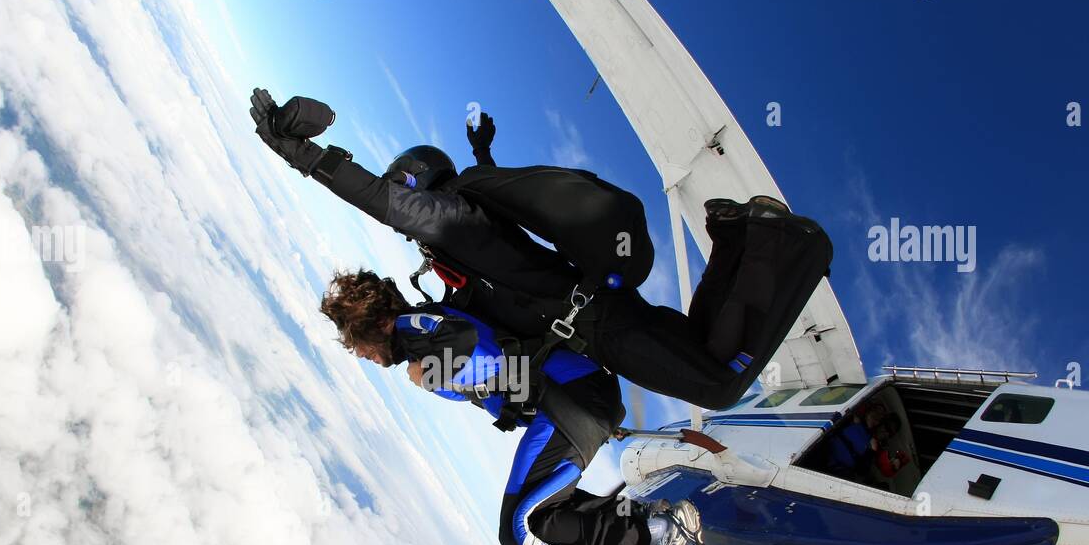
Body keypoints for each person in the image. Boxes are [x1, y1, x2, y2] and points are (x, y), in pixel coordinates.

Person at [249, 87, 834, 413]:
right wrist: (483, 158)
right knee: (710, 350)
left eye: (407, 197)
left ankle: (765, 241)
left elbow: (389, 204)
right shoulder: (467, 220)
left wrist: (306, 157)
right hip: (600, 316)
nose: (408, 223)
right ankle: (736, 239)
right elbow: (506, 253)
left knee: (720, 386)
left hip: (603, 328)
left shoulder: (449, 221)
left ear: (415, 187)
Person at [319, 268, 710, 545]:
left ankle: (658, 534)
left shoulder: (412, 328)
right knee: (536, 517)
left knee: (525, 529)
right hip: (572, 400)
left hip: (573, 400)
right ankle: (644, 522)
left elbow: (473, 351)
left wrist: (429, 376)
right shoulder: (418, 330)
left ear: (378, 323)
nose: (362, 355)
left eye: (358, 343)